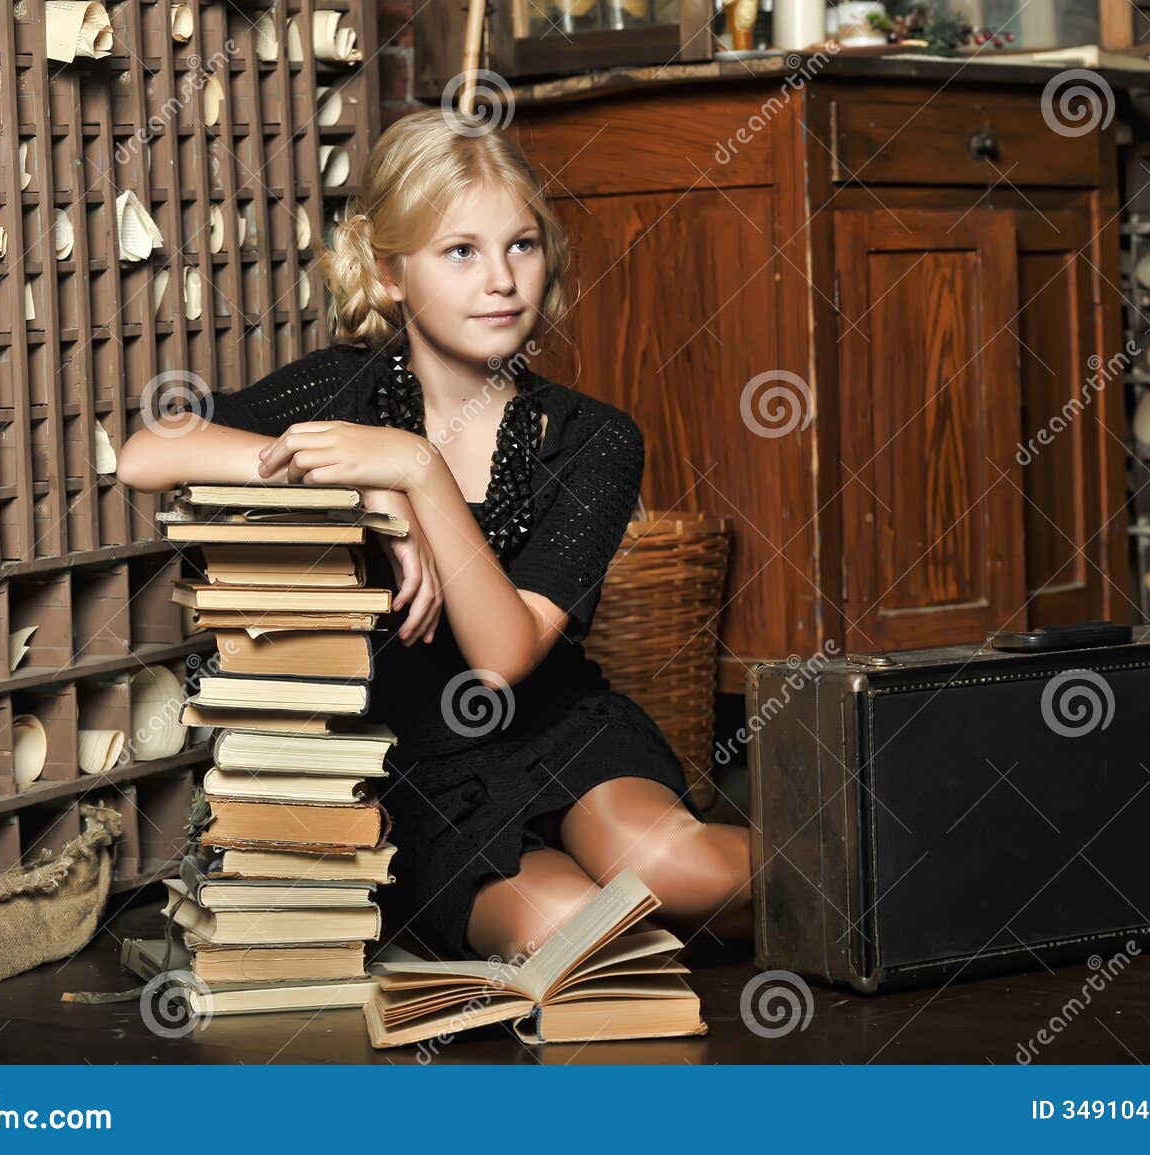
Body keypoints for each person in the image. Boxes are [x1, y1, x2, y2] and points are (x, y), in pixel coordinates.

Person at [116, 107, 753, 963]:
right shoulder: (345, 390)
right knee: (564, 930)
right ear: (388, 274)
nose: (502, 280)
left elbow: (503, 653)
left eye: (521, 245)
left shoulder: (594, 437)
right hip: (413, 763)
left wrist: (416, 472)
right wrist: (360, 470)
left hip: (558, 723)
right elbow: (147, 453)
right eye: (461, 252)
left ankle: (892, 880)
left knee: (679, 867)